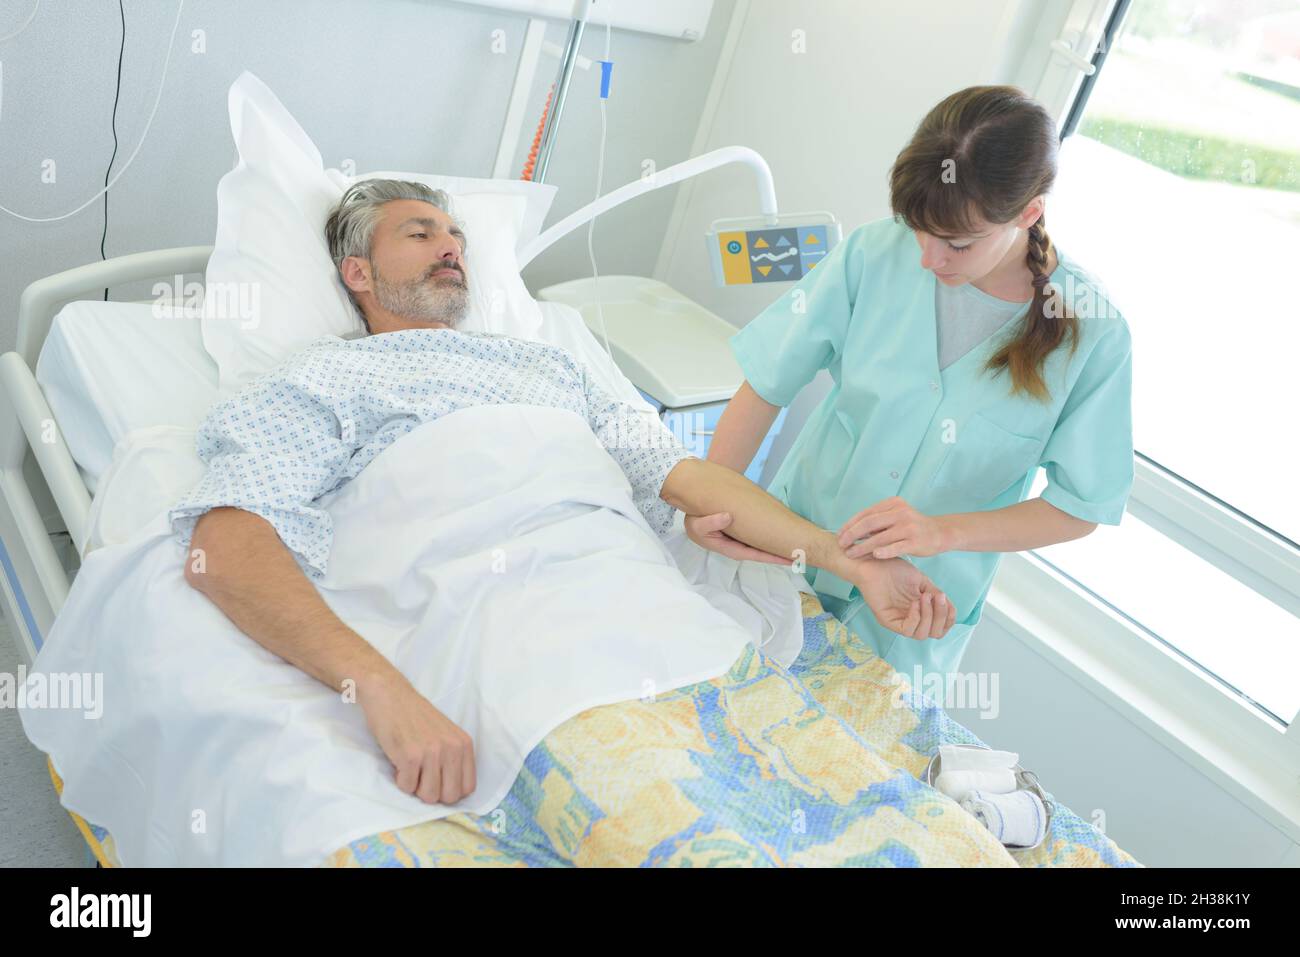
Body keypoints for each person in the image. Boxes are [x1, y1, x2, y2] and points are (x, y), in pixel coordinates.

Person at [171, 178, 957, 808]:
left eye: (457, 238)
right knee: (659, 800)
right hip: (505, 621)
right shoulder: (320, 377)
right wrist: (377, 686)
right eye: (420, 234)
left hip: (630, 594)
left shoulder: (549, 365)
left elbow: (688, 479)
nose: (451, 247)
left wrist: (849, 562)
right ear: (357, 273)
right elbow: (227, 545)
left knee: (863, 793)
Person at [689, 85, 1134, 688]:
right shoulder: (873, 254)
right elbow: (768, 381)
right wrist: (714, 501)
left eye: (958, 244)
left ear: (1029, 212)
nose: (929, 259)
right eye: (917, 229)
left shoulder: (1092, 332)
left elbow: (1079, 507)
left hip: (913, 613)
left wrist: (941, 532)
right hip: (791, 553)